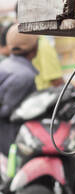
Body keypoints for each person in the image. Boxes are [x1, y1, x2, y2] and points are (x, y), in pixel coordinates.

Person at [0, 26, 39, 155]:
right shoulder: (24, 76)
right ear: (34, 48)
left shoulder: (5, 65)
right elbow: (7, 111)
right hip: (8, 138)